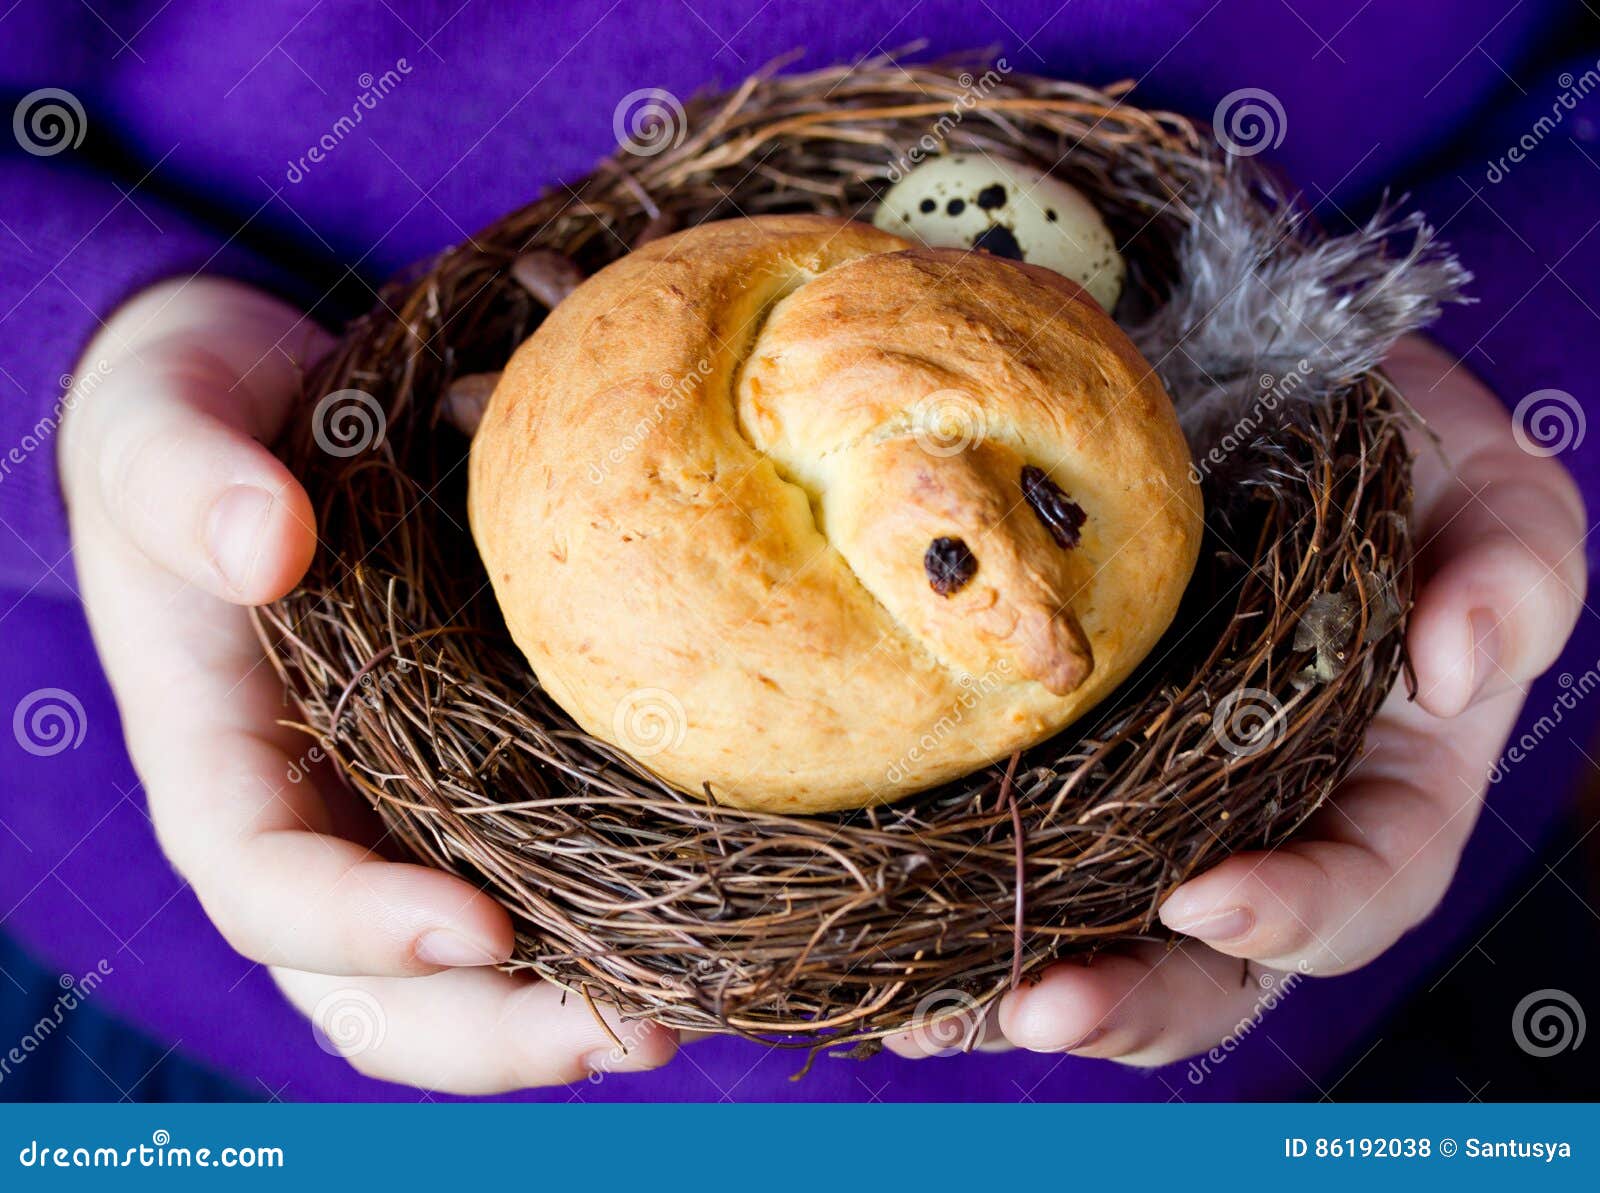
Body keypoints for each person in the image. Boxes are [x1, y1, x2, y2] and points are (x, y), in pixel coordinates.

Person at [1, 0, 1593, 1099]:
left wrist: (1511, 344)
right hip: (196, 1003)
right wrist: (76, 359)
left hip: (1355, 988)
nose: (1049, 648)